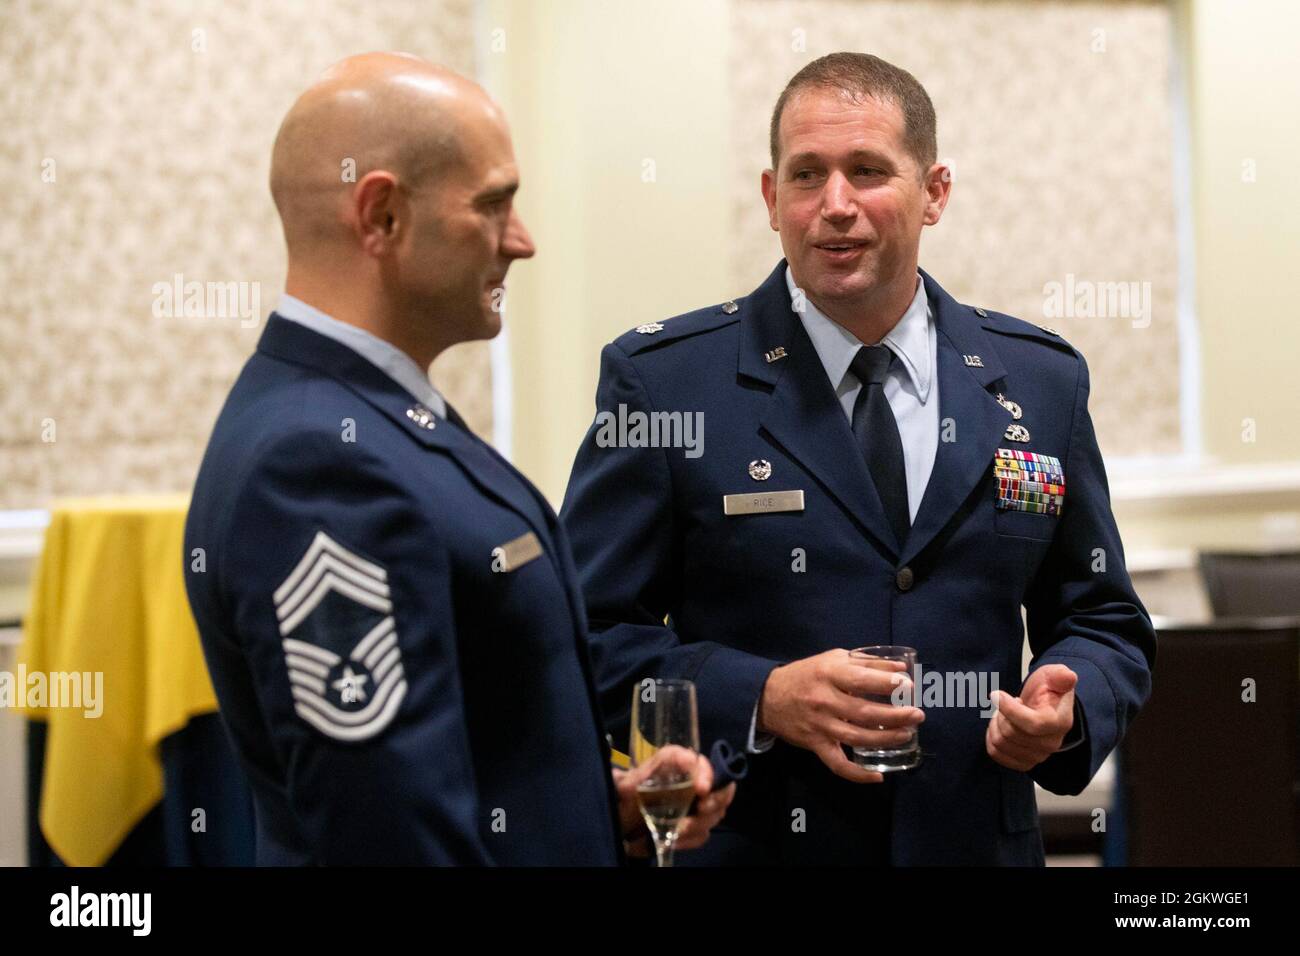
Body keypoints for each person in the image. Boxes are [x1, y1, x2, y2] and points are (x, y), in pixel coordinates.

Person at [559, 52, 1155, 865]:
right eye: (807, 175)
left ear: (934, 192)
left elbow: (1104, 620)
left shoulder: (1041, 382)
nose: (835, 206)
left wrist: (1070, 704)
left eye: (868, 171)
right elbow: (581, 640)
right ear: (772, 199)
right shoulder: (667, 384)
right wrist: (762, 697)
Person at [183, 52, 733, 865]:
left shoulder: (370, 415)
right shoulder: (317, 464)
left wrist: (594, 814)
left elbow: (468, 760)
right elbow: (387, 837)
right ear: (381, 216)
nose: (524, 240)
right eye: (493, 205)